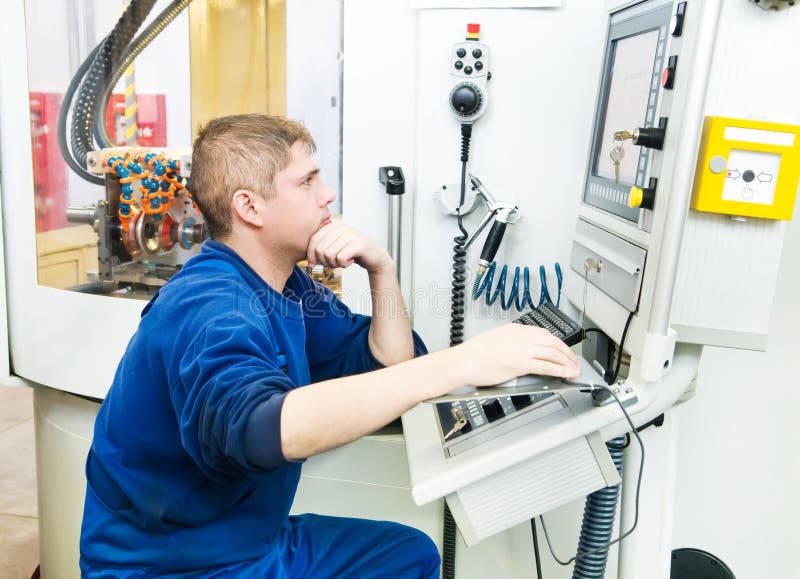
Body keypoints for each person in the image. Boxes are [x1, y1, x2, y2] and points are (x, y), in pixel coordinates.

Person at [79, 113, 581, 578]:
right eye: (307, 181)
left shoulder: (286, 287)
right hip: (171, 564)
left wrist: (382, 267)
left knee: (409, 558)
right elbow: (259, 430)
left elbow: (387, 361)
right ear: (249, 206)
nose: (328, 194)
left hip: (246, 540)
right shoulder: (211, 306)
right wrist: (463, 362)